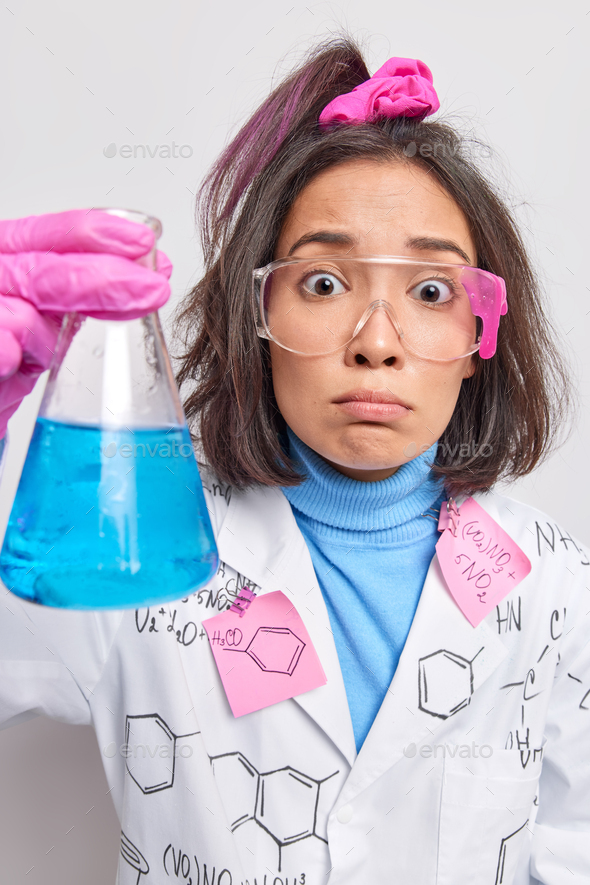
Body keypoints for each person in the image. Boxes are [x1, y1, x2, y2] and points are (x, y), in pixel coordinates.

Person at [0, 36, 588, 885]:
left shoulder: (558, 587)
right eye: (322, 284)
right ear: (257, 318)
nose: (376, 342)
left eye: (430, 292)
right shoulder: (137, 545)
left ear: (477, 339)